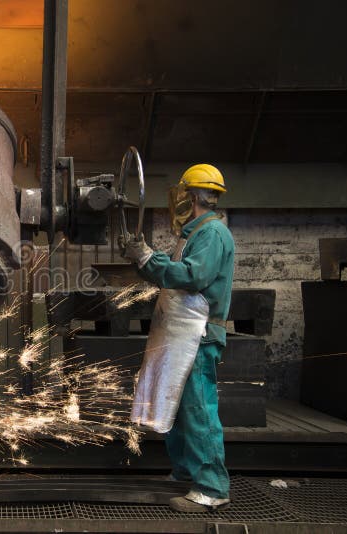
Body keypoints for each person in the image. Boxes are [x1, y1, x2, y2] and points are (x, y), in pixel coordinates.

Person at [121, 164, 235, 512]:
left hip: (197, 334)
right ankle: (186, 472)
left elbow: (192, 276)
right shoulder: (195, 232)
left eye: (184, 194)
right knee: (179, 406)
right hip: (182, 332)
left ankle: (212, 489)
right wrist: (147, 259)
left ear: (193, 196)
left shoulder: (212, 233)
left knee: (198, 408)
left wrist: (147, 258)